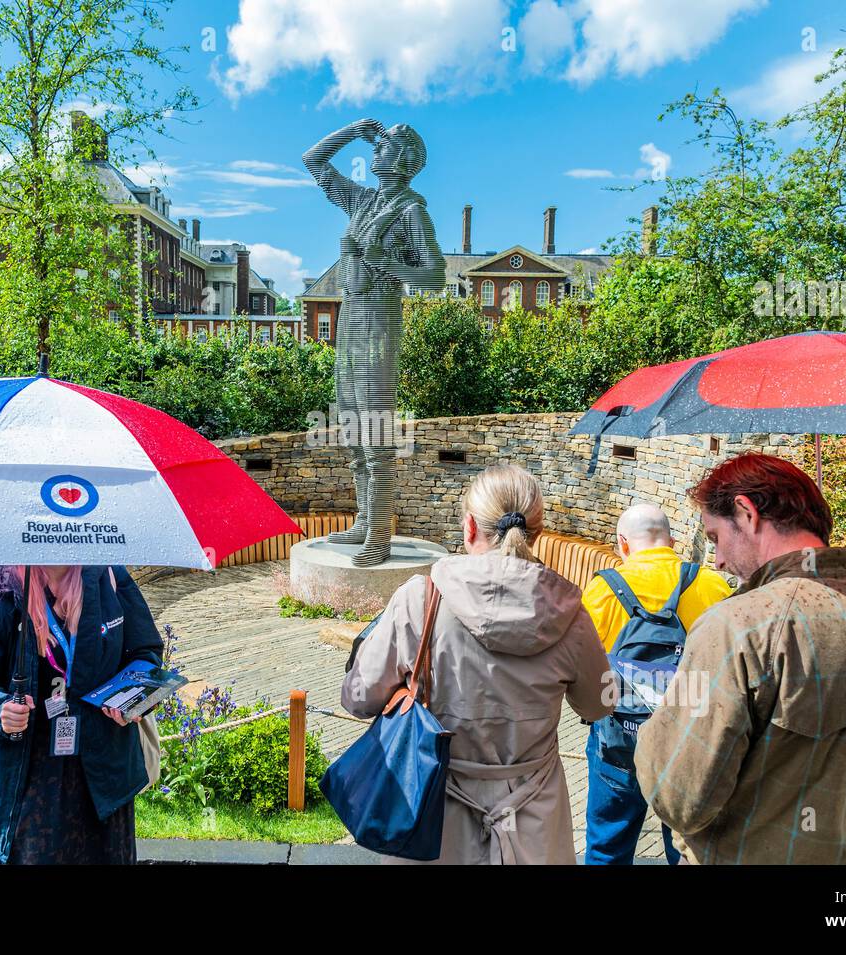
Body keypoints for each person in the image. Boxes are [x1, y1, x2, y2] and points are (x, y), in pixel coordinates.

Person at [635, 453, 846, 864]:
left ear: (746, 511)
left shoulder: (737, 628)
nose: (717, 560)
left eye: (716, 538)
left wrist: (658, 728)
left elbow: (680, 798)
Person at [341, 464, 613, 864]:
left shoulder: (420, 599)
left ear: (469, 527)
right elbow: (599, 705)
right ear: (537, 533)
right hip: (532, 826)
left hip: (432, 821)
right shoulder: (571, 613)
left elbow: (359, 698)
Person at [0, 564, 164, 865]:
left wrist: (133, 698)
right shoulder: (3, 595)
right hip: (29, 783)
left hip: (102, 778)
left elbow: (146, 653)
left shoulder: (110, 578)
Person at [303, 118, 446, 567]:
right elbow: (314, 161)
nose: (375, 153)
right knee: (351, 429)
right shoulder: (363, 201)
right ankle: (365, 520)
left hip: (380, 323)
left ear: (403, 160)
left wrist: (387, 263)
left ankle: (380, 538)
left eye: (385, 147)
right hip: (350, 320)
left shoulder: (410, 208)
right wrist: (354, 130)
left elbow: (436, 275)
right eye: (377, 146)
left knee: (376, 434)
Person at [580, 503, 732, 865]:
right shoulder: (711, 585)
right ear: (673, 542)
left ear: (623, 543)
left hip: (618, 745)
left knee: (606, 847)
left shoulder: (601, 591)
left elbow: (581, 670)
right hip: (689, 749)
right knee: (687, 851)